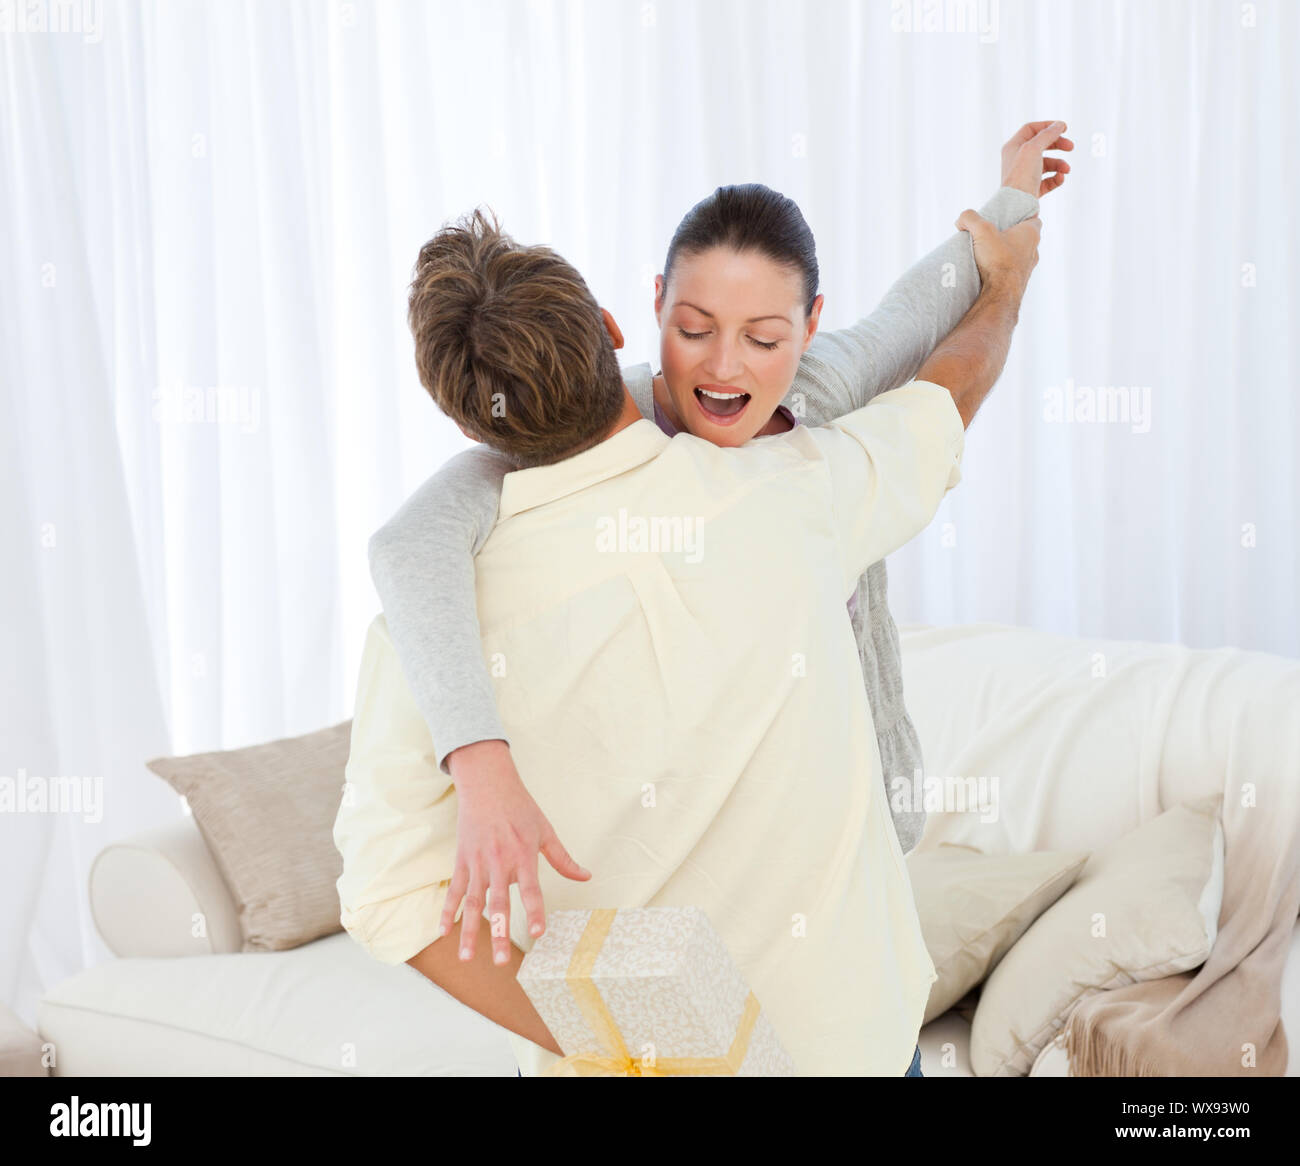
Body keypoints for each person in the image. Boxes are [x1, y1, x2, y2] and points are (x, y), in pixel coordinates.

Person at [333, 199, 1041, 1075]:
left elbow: (386, 899)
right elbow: (948, 391)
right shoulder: (792, 495)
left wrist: (633, 1039)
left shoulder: (420, 634)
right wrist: (1006, 286)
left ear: (467, 424)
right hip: (849, 1047)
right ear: (615, 328)